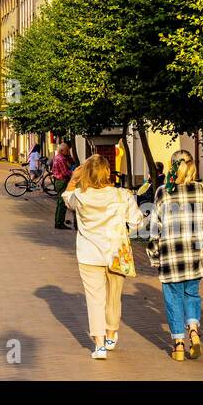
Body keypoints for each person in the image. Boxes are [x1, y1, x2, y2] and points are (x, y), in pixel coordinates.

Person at [62, 154, 142, 360]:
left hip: (88, 254)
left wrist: (73, 178)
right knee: (114, 296)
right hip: (116, 252)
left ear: (86, 173)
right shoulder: (122, 195)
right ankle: (111, 334)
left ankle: (99, 345)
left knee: (94, 299)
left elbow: (65, 198)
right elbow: (136, 222)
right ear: (108, 172)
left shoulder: (80, 195)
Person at [147, 150, 203, 362]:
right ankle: (193, 329)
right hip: (195, 252)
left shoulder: (163, 192)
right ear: (192, 165)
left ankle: (179, 344)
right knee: (192, 293)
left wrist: (154, 256)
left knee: (173, 298)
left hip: (172, 254)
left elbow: (155, 229)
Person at [51, 141, 76, 229]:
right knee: (62, 202)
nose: (68, 152)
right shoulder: (60, 159)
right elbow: (65, 172)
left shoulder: (58, 157)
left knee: (60, 202)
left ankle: (58, 221)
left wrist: (69, 157)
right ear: (62, 151)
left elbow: (71, 161)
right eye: (67, 151)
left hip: (58, 181)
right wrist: (74, 174)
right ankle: (59, 223)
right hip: (62, 181)